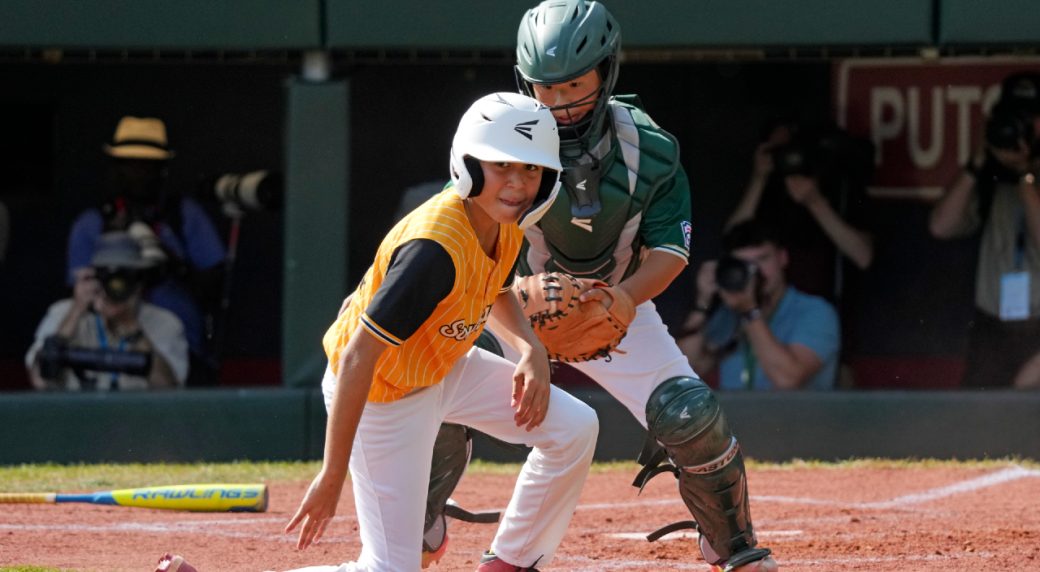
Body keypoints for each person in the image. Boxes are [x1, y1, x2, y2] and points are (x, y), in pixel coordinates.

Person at [492, 2, 777, 570]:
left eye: (575, 83)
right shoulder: (500, 140)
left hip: (612, 299)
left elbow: (671, 252)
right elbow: (474, 253)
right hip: (506, 301)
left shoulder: (650, 148)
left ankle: (731, 543)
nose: (559, 102)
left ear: (607, 71)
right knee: (430, 375)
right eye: (545, 87)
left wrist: (620, 299)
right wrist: (527, 342)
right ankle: (424, 523)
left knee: (690, 413)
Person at [280, 92, 598, 572]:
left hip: (443, 365)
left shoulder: (503, 219)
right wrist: (331, 475)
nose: (517, 183)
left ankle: (509, 563)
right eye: (502, 166)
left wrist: (529, 349)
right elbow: (357, 358)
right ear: (468, 164)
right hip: (381, 393)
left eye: (531, 170)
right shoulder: (434, 249)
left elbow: (494, 289)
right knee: (389, 569)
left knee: (574, 428)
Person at [66, 116, 226, 386]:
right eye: (131, 165)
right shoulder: (92, 224)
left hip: (181, 345)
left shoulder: (183, 217)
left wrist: (166, 259)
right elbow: (78, 295)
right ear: (116, 169)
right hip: (106, 350)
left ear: (162, 170)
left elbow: (216, 287)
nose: (139, 174)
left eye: (147, 166)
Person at [929, 71, 1040, 389]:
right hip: (994, 327)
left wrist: (1025, 175)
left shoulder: (1025, 179)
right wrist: (977, 162)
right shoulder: (991, 177)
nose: (1022, 126)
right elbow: (940, 226)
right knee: (978, 428)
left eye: (1031, 118)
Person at [678, 219, 840, 391]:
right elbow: (685, 373)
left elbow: (787, 379)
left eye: (762, 259)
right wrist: (702, 302)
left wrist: (749, 311)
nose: (754, 271)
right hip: (736, 417)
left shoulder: (816, 312)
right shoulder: (729, 312)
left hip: (795, 418)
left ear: (782, 258)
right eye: (744, 264)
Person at [726, 118, 875, 300]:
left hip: (819, 306)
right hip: (767, 304)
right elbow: (731, 243)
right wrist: (759, 178)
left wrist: (814, 202)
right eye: (779, 150)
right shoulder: (767, 189)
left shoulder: (839, 187)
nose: (788, 157)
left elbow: (864, 256)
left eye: (791, 148)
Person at [25, 231, 188, 390]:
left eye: (124, 277)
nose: (115, 286)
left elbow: (168, 389)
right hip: (77, 414)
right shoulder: (62, 312)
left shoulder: (166, 323)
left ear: (139, 282)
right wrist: (76, 311)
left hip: (136, 416)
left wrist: (133, 329)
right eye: (108, 277)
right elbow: (40, 380)